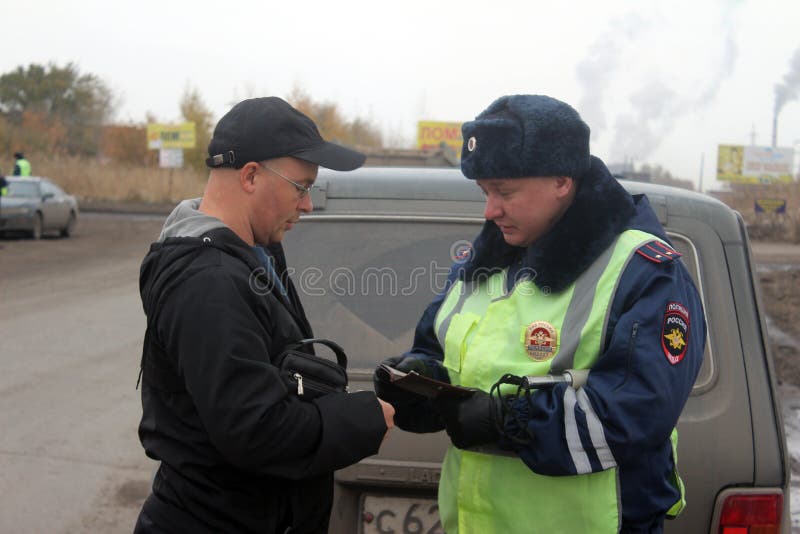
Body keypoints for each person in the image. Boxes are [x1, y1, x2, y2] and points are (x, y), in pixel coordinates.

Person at [374, 95, 705, 533]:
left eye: (504, 192)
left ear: (562, 181)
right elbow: (444, 352)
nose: (490, 211)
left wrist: (505, 421)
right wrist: (420, 381)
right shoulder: (484, 262)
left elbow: (635, 414)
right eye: (485, 192)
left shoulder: (645, 272)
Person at [135, 97, 395, 534]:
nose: (307, 205)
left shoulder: (250, 254)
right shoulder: (209, 281)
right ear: (251, 176)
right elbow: (253, 428)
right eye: (301, 186)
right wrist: (362, 420)